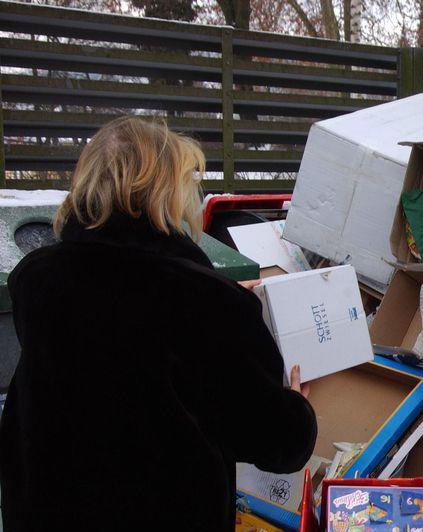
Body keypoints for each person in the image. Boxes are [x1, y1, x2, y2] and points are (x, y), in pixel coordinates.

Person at [0, 117, 318, 531]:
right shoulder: (203, 301)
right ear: (169, 191)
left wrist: (219, 298)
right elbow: (276, 440)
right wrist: (298, 409)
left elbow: (119, 325)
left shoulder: (39, 281)